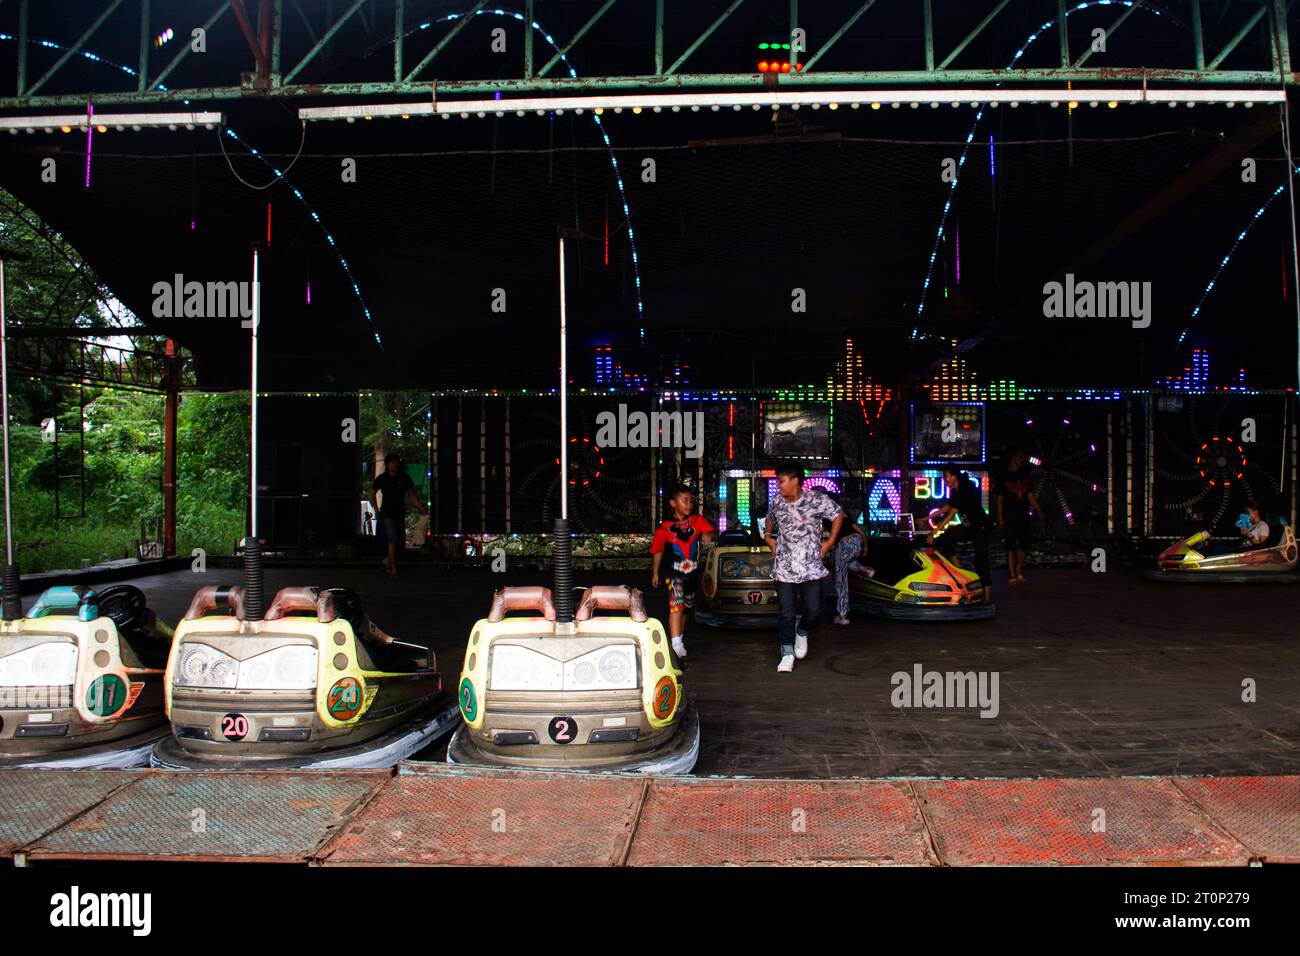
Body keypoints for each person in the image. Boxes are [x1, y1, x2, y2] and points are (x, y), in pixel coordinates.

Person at [764, 462, 843, 673]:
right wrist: (769, 539)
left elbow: (838, 514)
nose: (778, 485)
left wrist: (829, 542)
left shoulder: (815, 499)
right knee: (786, 612)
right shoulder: (776, 502)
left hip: (811, 566)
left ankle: (802, 631)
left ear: (795, 480)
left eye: (781, 481)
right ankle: (787, 653)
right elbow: (769, 524)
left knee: (814, 611)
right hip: (784, 566)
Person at [650, 485, 715, 658]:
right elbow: (658, 551)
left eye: (690, 500)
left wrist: (708, 535)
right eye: (684, 500)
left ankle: (679, 637)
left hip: (693, 574)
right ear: (673, 503)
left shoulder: (697, 520)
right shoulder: (664, 528)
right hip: (674, 573)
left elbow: (709, 531)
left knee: (686, 607)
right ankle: (676, 643)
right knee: (676, 605)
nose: (688, 504)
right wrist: (655, 572)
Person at [928, 464, 993, 604]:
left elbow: (951, 514)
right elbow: (948, 505)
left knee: (980, 562)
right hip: (969, 527)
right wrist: (929, 518)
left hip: (981, 528)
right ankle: (959, 568)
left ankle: (987, 597)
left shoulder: (965, 489)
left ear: (954, 476)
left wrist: (936, 530)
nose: (945, 480)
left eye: (946, 477)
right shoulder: (956, 490)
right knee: (944, 539)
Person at [371, 453, 428, 576]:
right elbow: (372, 493)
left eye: (397, 462)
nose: (395, 464)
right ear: (388, 464)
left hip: (400, 512)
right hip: (387, 512)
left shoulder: (404, 478)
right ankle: (393, 568)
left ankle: (388, 562)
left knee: (399, 540)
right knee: (392, 539)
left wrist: (420, 507)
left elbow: (412, 494)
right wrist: (376, 510)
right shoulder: (382, 478)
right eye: (393, 462)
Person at [995, 448, 1044, 586]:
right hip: (1009, 515)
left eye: (1022, 457)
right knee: (1010, 546)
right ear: (1013, 458)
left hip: (1023, 514)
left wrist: (1038, 509)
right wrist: (999, 518)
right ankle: (1012, 574)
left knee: (1023, 545)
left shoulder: (1025, 474)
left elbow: (1030, 494)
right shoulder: (1003, 475)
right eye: (1019, 457)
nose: (1021, 460)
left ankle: (1018, 568)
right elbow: (999, 499)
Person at [829, 511, 867, 625]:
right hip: (856, 542)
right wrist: (865, 548)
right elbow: (862, 533)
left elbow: (824, 537)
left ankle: (842, 616)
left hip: (844, 546)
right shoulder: (844, 515)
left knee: (841, 582)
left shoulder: (827, 517)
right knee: (846, 563)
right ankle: (863, 568)